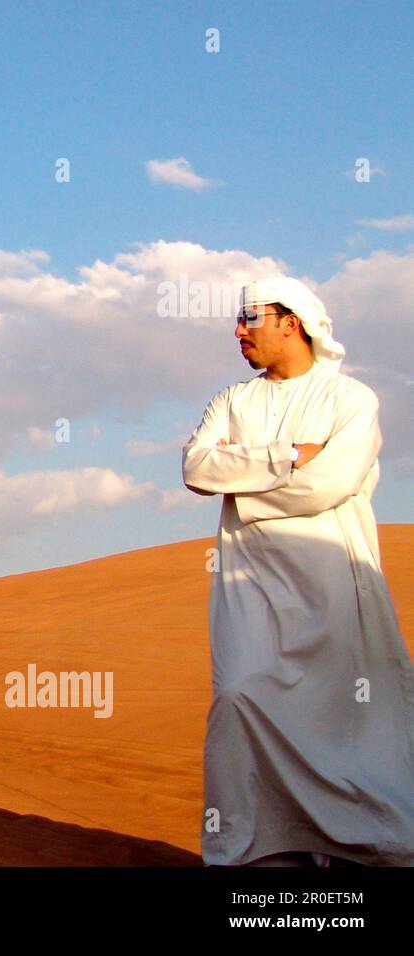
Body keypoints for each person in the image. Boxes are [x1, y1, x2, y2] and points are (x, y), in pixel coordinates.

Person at [181, 276, 414, 867]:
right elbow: (197, 467)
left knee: (346, 715)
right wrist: (286, 458)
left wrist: (246, 492)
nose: (238, 332)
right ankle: (248, 848)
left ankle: (365, 845)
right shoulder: (231, 401)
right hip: (249, 581)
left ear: (292, 322)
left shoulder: (351, 400)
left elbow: (329, 484)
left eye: (249, 319)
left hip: (334, 581)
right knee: (238, 696)